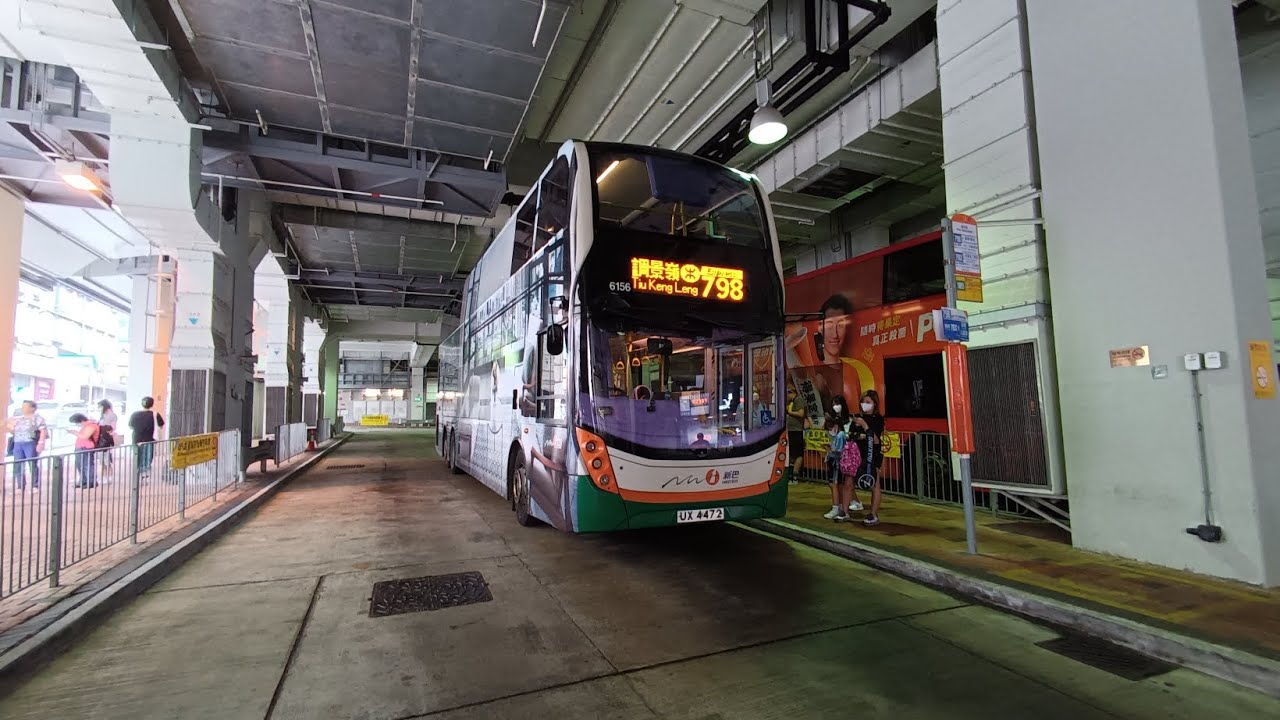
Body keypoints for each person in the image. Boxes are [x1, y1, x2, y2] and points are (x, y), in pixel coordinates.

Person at [848, 390, 886, 525]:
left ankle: (873, 514)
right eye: (863, 402)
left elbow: (875, 439)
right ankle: (849, 506)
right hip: (856, 453)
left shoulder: (878, 419)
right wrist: (860, 433)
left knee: (874, 484)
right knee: (849, 481)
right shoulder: (857, 417)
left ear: (875, 404)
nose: (864, 404)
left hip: (872, 454)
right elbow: (851, 434)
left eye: (868, 402)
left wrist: (864, 426)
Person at [5, 400, 48, 490]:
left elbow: (43, 430)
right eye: (23, 406)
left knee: (32, 464)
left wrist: (41, 443)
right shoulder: (20, 419)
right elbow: (14, 432)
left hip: (30, 443)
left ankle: (35, 485)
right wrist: (8, 428)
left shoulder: (37, 418)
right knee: (18, 464)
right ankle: (20, 486)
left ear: (32, 408)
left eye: (25, 406)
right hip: (18, 443)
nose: (23, 408)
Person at [822, 397, 850, 519]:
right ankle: (840, 507)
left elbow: (838, 451)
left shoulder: (840, 435)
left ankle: (836, 508)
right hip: (834, 460)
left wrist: (828, 449)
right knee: (836, 485)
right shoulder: (839, 434)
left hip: (836, 462)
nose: (829, 431)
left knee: (834, 484)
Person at [128, 396, 165, 480]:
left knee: (137, 456)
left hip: (136, 439)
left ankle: (137, 473)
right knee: (148, 457)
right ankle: (145, 474)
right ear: (152, 404)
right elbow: (161, 426)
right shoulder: (155, 414)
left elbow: (130, 426)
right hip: (149, 439)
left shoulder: (134, 414)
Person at [66, 413, 101, 488]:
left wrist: (74, 432)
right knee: (80, 465)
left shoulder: (91, 425)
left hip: (87, 447)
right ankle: (83, 481)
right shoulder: (85, 426)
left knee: (87, 465)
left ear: (80, 420)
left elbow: (85, 436)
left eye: (76, 422)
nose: (76, 424)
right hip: (80, 447)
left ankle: (91, 481)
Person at [784, 383, 806, 484]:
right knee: (792, 453)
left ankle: (795, 476)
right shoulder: (792, 402)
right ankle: (791, 475)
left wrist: (789, 412)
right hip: (790, 430)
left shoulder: (798, 400)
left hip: (796, 430)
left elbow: (801, 413)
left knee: (798, 454)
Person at [97, 399, 119, 478]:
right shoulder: (103, 415)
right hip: (101, 438)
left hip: (107, 439)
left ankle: (109, 475)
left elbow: (113, 427)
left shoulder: (112, 415)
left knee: (106, 458)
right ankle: (104, 475)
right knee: (102, 459)